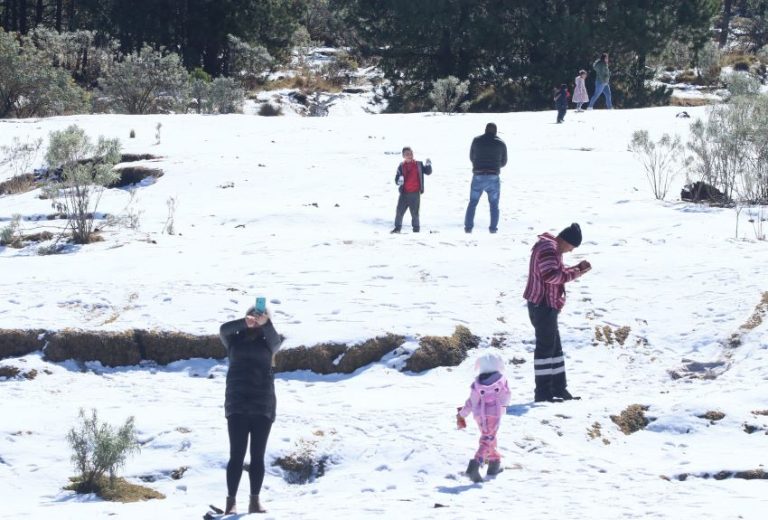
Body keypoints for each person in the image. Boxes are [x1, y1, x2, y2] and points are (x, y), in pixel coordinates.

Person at [219, 304, 283, 514]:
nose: (256, 318)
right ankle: (231, 502)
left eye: (260, 316)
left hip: (262, 404)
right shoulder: (234, 339)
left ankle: (254, 500)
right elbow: (223, 330)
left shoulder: (268, 343)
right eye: (253, 315)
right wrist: (243, 322)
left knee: (258, 455)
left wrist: (267, 324)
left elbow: (276, 341)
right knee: (236, 454)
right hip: (237, 403)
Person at [523, 223, 591, 403]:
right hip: (543, 305)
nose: (569, 251)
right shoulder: (549, 248)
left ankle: (558, 388)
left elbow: (556, 272)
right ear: (566, 241)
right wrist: (577, 273)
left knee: (554, 348)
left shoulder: (551, 248)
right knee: (546, 349)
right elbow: (551, 276)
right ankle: (544, 392)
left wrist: (577, 269)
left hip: (545, 305)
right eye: (571, 247)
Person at [456, 352, 511, 483]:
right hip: (494, 414)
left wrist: (462, 414)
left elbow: (471, 402)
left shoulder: (477, 385)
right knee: (488, 438)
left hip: (479, 416)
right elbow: (507, 397)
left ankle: (494, 463)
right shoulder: (501, 382)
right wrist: (503, 406)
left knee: (489, 437)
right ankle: (475, 465)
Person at [465, 123, 507, 233]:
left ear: (485, 130)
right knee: (494, 205)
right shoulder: (501, 143)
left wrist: (478, 164)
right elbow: (504, 162)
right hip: (493, 176)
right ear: (496, 131)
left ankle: (468, 228)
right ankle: (493, 229)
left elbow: (471, 157)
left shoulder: (476, 140)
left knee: (473, 202)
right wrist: (496, 165)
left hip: (478, 175)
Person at [391, 146, 432, 233]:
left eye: (411, 153)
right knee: (399, 212)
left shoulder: (419, 164)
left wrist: (428, 165)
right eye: (407, 154)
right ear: (403, 156)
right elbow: (396, 180)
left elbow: (428, 172)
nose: (410, 155)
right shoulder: (401, 166)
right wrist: (399, 180)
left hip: (415, 194)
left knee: (415, 213)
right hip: (404, 193)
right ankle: (397, 228)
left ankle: (416, 230)